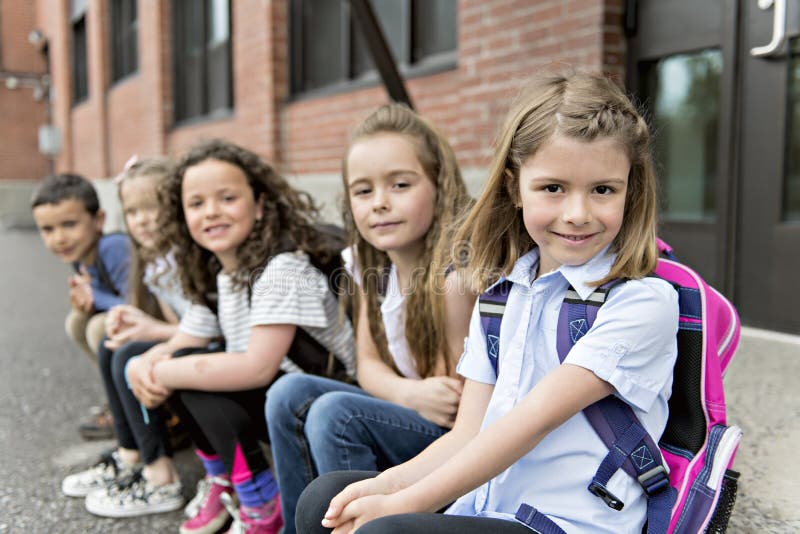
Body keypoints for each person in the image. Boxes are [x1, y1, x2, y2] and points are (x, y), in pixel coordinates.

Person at [295, 72, 680, 534]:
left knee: (385, 530)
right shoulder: (502, 293)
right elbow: (467, 433)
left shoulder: (642, 303)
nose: (577, 213)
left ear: (629, 190)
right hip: (490, 505)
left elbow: (527, 425)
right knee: (326, 499)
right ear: (516, 189)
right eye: (553, 188)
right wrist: (390, 484)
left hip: (568, 523)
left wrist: (405, 502)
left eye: (603, 190)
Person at [265, 103, 476, 534]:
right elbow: (367, 365)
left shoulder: (458, 275)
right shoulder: (369, 265)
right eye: (363, 191)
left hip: (454, 449)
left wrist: (415, 396)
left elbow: (452, 403)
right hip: (412, 408)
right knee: (288, 392)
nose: (380, 203)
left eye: (400, 185)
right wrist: (407, 393)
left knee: (335, 414)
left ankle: (363, 524)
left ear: (440, 185)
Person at [126, 139, 356, 534]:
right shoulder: (222, 273)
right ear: (182, 216)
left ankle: (262, 502)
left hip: (324, 404)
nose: (211, 211)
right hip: (279, 401)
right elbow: (184, 339)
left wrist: (163, 371)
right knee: (182, 368)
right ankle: (235, 485)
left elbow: (256, 368)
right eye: (196, 204)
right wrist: (143, 363)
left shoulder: (283, 268)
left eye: (227, 198)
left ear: (261, 205)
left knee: (187, 374)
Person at [60, 156, 195, 519]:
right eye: (134, 211)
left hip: (219, 351)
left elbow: (207, 329)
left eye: (154, 207)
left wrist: (154, 336)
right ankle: (132, 455)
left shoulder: (189, 258)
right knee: (114, 343)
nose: (144, 219)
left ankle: (160, 478)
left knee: (128, 353)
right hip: (192, 342)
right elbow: (180, 325)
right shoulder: (155, 262)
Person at [31, 173, 130, 440]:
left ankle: (152, 412)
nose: (59, 238)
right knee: (77, 321)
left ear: (99, 220)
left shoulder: (113, 247)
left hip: (160, 328)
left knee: (100, 327)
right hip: (130, 327)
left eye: (69, 225)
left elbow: (136, 304)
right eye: (48, 230)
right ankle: (121, 399)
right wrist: (87, 300)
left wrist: (95, 297)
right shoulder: (81, 254)